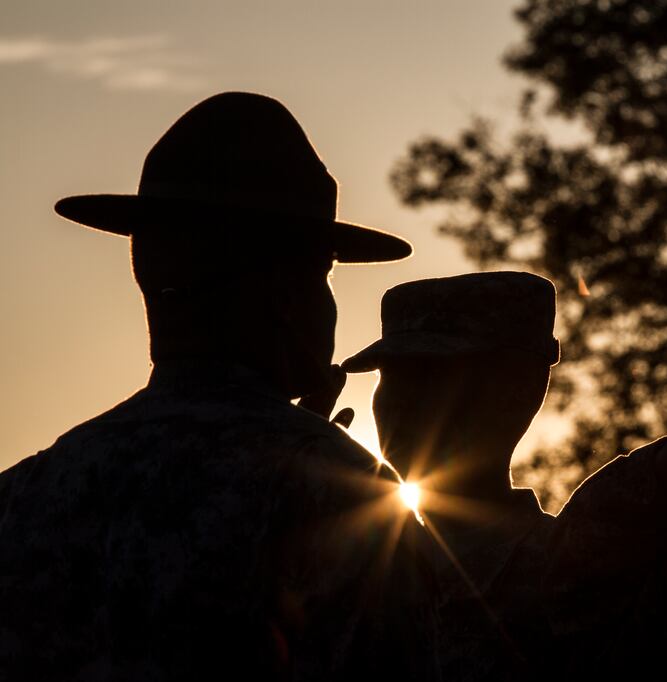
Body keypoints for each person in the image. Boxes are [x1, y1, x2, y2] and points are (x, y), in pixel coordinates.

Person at [0, 92, 432, 681]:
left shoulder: (21, 498)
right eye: (324, 275)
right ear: (286, 292)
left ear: (147, 276)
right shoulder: (347, 501)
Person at [343, 270, 667, 681]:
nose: (399, 405)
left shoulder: (569, 570)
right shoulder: (355, 558)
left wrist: (654, 485)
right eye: (390, 381)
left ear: (513, 393)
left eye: (429, 379)